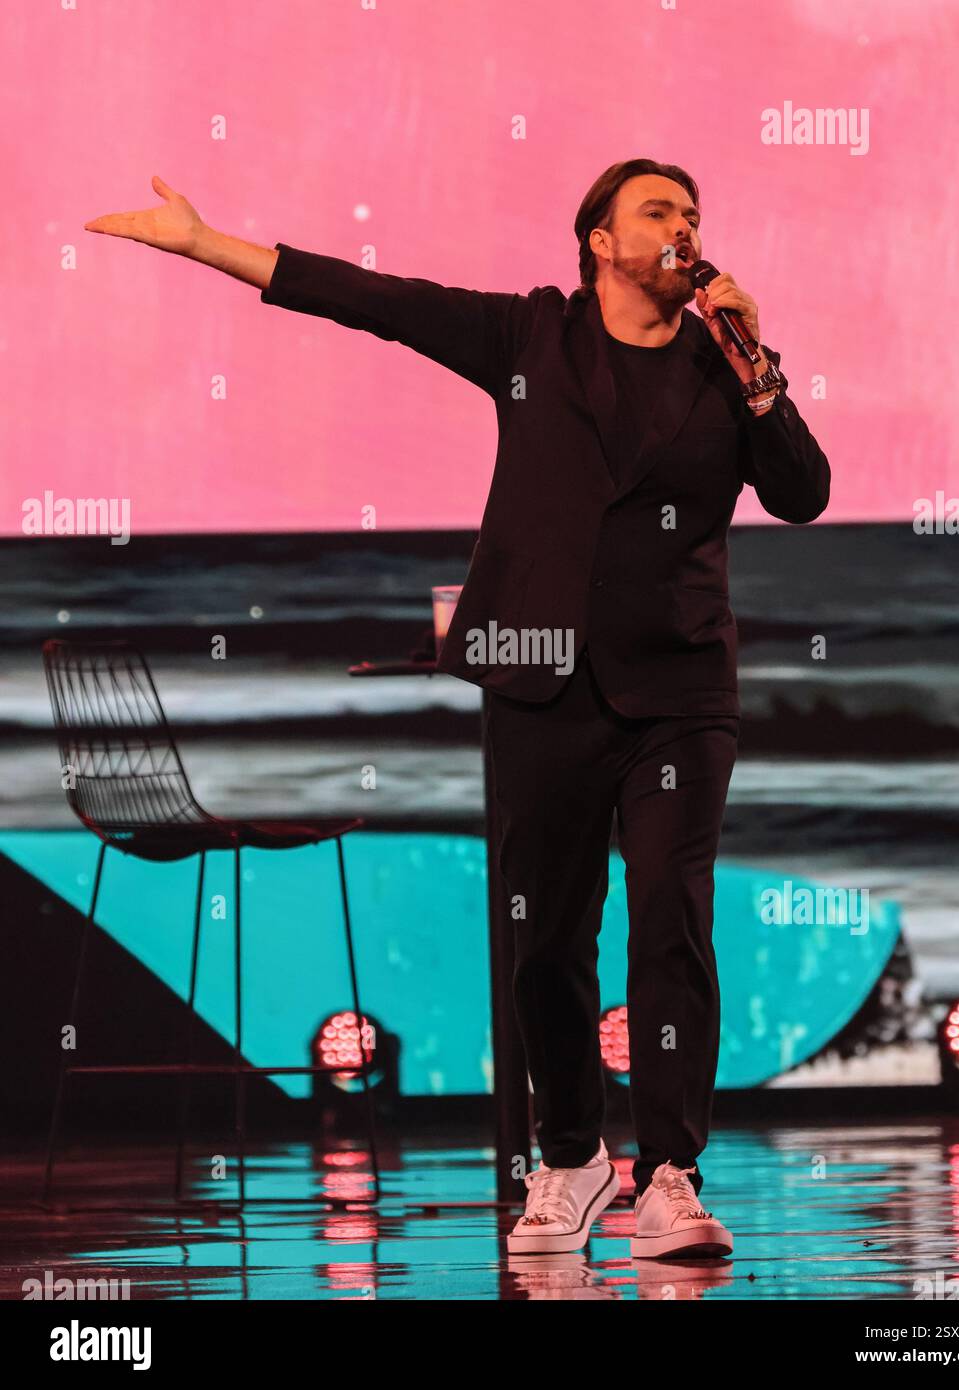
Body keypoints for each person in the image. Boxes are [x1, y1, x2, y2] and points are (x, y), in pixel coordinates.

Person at [85, 159, 830, 1259]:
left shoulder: (723, 365)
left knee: (670, 919)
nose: (683, 228)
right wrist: (207, 244)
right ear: (599, 241)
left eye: (692, 214)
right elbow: (375, 304)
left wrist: (758, 366)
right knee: (544, 943)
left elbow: (801, 493)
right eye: (658, 211)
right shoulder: (531, 339)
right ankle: (571, 1156)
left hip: (676, 689)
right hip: (542, 681)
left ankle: (670, 1173)